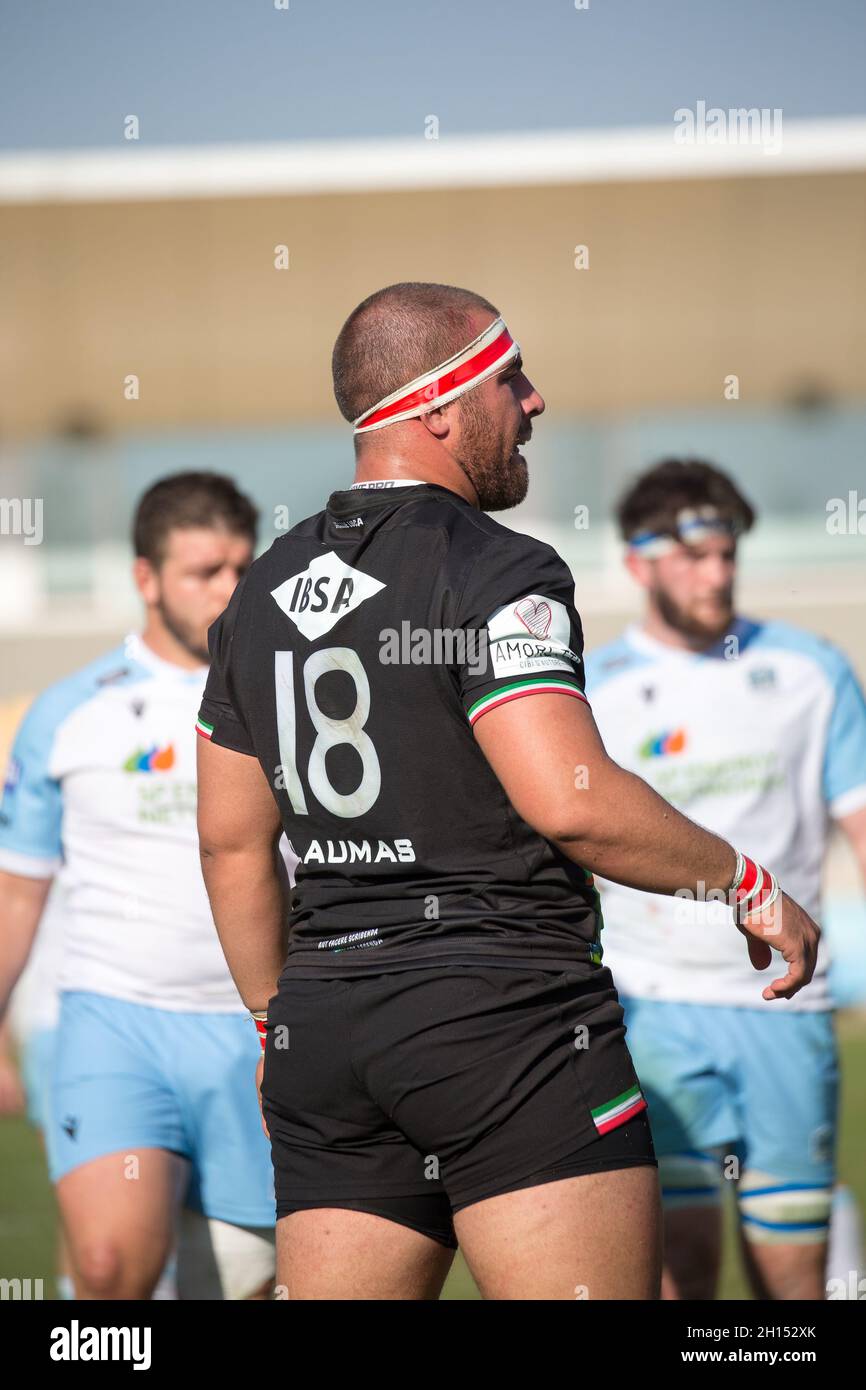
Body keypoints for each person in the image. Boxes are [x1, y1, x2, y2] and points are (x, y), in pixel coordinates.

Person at [195, 283, 819, 1301]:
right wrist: (742, 880)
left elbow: (228, 844)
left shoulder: (258, 593)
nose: (532, 401)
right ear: (439, 407)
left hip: (326, 1035)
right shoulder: (495, 566)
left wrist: (275, 1025)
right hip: (502, 1019)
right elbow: (568, 799)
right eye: (509, 377)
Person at [583, 458, 866, 1300]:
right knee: (680, 1270)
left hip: (785, 1012)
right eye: (693, 554)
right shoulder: (591, 689)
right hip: (648, 1009)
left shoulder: (812, 670)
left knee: (792, 1283)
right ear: (636, 563)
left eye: (727, 552)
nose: (717, 573)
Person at [0, 471, 276, 1299]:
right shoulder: (66, 712)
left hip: (258, 1033)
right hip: (113, 1025)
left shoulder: (291, 698)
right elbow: (17, 891)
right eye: (203, 573)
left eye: (240, 568)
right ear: (145, 579)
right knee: (110, 1269)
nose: (228, 592)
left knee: (242, 1278)